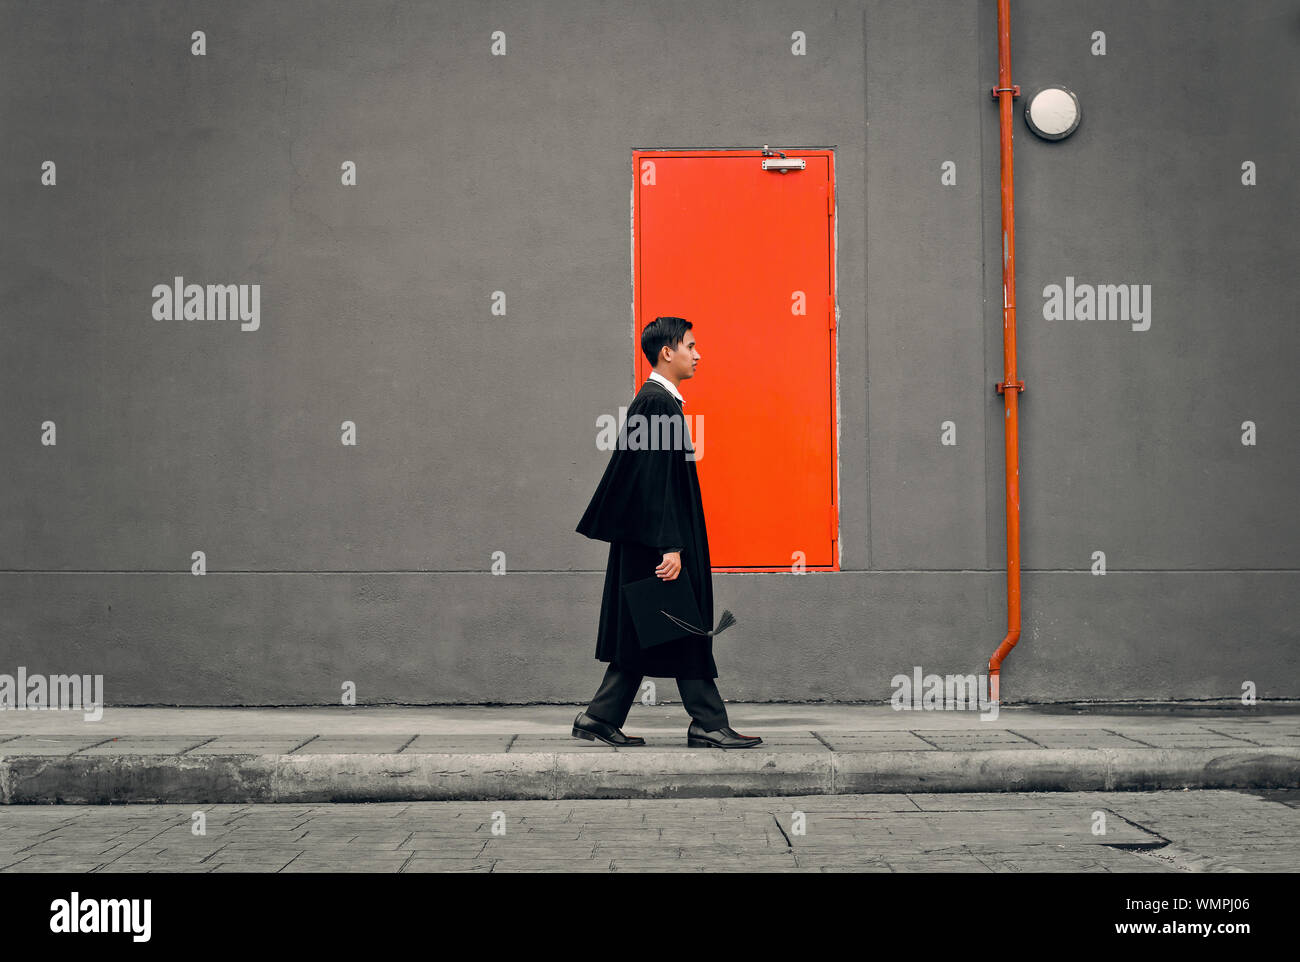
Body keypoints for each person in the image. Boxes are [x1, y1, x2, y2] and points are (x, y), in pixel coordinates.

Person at [572, 316, 762, 749]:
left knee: (651, 632)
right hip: (659, 545)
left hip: (652, 542)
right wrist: (671, 546)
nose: (698, 354)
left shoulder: (659, 401)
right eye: (691, 346)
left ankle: (598, 718)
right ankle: (708, 723)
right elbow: (653, 482)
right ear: (667, 352)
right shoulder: (657, 403)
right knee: (684, 626)